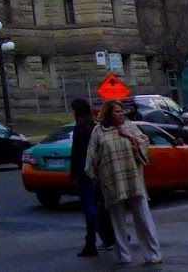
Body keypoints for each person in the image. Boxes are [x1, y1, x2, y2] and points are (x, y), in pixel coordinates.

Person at [86, 99, 161, 266]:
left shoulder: (129, 127)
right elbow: (91, 155)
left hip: (133, 177)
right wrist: (93, 173)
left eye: (122, 112)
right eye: (117, 112)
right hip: (111, 179)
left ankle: (152, 254)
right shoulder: (99, 131)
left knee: (142, 216)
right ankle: (123, 255)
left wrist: (130, 137)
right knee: (117, 219)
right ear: (108, 113)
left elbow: (144, 143)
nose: (121, 115)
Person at [68, 97, 114, 257]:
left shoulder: (80, 129)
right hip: (97, 172)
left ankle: (92, 242)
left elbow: (76, 152)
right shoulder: (94, 127)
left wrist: (73, 173)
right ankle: (108, 236)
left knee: (90, 208)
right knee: (100, 205)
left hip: (85, 173)